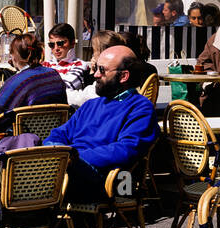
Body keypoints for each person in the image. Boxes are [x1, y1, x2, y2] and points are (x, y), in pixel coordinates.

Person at [45, 46, 158, 203]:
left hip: (102, 178)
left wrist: (74, 158)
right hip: (67, 166)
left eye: (102, 70)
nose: (96, 75)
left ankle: (23, 219)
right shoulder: (91, 105)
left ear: (123, 76)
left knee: (29, 177)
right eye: (96, 69)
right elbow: (60, 133)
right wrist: (54, 150)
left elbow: (127, 149)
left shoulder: (140, 107)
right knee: (17, 153)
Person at [0, 33, 67, 138]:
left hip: (22, 143)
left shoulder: (17, 82)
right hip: (55, 140)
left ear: (14, 56)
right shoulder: (54, 75)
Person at [44, 22, 90, 91]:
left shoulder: (80, 65)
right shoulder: (45, 64)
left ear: (72, 43)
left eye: (60, 43)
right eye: (52, 45)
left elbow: (64, 89)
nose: (56, 48)